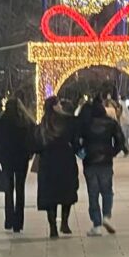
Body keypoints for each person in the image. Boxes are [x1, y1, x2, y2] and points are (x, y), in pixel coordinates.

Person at [80, 98, 129, 236]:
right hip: (106, 162)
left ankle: (96, 224)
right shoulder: (111, 123)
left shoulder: (86, 124)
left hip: (90, 161)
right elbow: (120, 141)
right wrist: (112, 152)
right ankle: (106, 215)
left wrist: (82, 153)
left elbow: (77, 140)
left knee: (93, 193)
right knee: (107, 190)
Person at [35, 96, 81, 238]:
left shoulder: (43, 124)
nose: (61, 106)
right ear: (54, 106)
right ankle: (65, 223)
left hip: (48, 162)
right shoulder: (68, 122)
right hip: (65, 160)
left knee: (50, 195)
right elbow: (75, 141)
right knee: (67, 192)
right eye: (59, 104)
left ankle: (53, 226)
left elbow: (37, 143)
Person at [0, 93, 35, 234]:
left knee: (8, 189)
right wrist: (30, 154)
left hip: (7, 159)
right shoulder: (26, 122)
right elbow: (32, 139)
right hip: (21, 159)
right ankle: (18, 222)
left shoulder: (2, 121)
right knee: (20, 189)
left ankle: (9, 219)